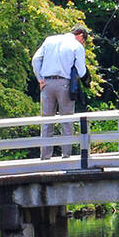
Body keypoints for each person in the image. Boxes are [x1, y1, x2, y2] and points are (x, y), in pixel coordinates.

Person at [30, 23, 89, 158]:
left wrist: (40, 79)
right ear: (80, 36)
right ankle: (66, 155)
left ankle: (45, 156)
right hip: (64, 84)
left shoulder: (50, 39)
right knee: (66, 120)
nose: (83, 43)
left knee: (46, 121)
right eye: (84, 40)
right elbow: (81, 71)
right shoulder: (77, 46)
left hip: (47, 84)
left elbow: (35, 60)